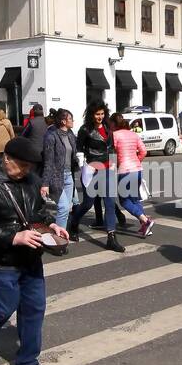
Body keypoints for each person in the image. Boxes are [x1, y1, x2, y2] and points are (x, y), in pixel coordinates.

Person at [0, 136, 68, 365]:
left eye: (29, 167)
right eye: (21, 165)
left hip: (30, 256)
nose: (25, 171)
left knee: (34, 307)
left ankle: (27, 360)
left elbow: (39, 212)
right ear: (6, 158)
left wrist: (51, 225)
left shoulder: (31, 179)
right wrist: (13, 237)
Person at [66, 100, 125, 252]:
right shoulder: (85, 129)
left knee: (110, 203)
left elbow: (112, 148)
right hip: (91, 169)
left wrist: (113, 166)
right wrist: (82, 166)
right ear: (91, 114)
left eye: (102, 114)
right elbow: (78, 150)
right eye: (97, 114)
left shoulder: (108, 128)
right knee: (88, 203)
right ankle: (73, 222)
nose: (100, 116)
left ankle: (111, 238)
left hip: (107, 170)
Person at [111, 111, 154, 237]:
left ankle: (146, 221)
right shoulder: (133, 134)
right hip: (137, 169)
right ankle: (146, 226)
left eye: (111, 124)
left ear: (114, 124)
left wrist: (113, 166)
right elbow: (143, 151)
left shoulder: (115, 135)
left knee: (124, 201)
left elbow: (112, 154)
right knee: (134, 199)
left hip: (124, 171)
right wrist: (137, 161)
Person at [41, 109, 77, 228]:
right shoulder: (51, 136)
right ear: (63, 121)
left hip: (69, 175)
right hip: (56, 176)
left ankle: (59, 233)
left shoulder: (70, 134)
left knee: (66, 209)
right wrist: (45, 183)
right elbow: (48, 161)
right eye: (70, 119)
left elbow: (73, 154)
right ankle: (60, 241)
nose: (72, 121)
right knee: (63, 207)